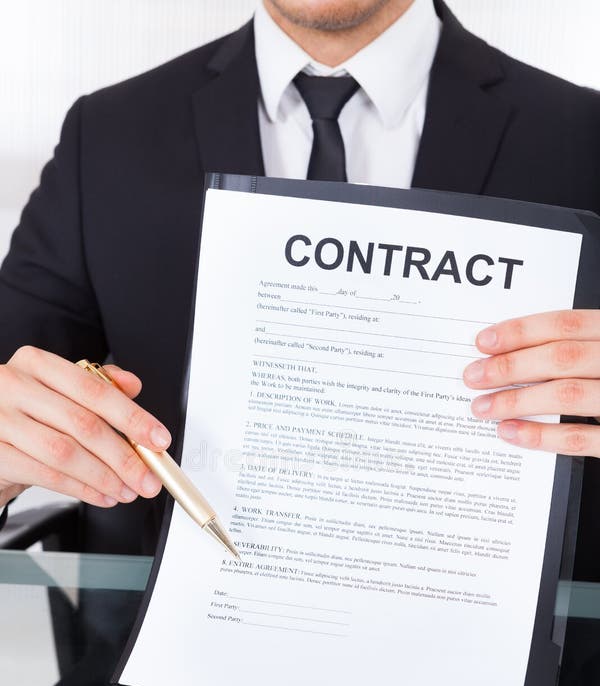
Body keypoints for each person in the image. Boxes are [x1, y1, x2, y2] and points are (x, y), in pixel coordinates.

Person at [1, 0, 600, 574]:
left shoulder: (583, 136)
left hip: (522, 652)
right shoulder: (106, 134)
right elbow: (13, 376)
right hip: (155, 642)